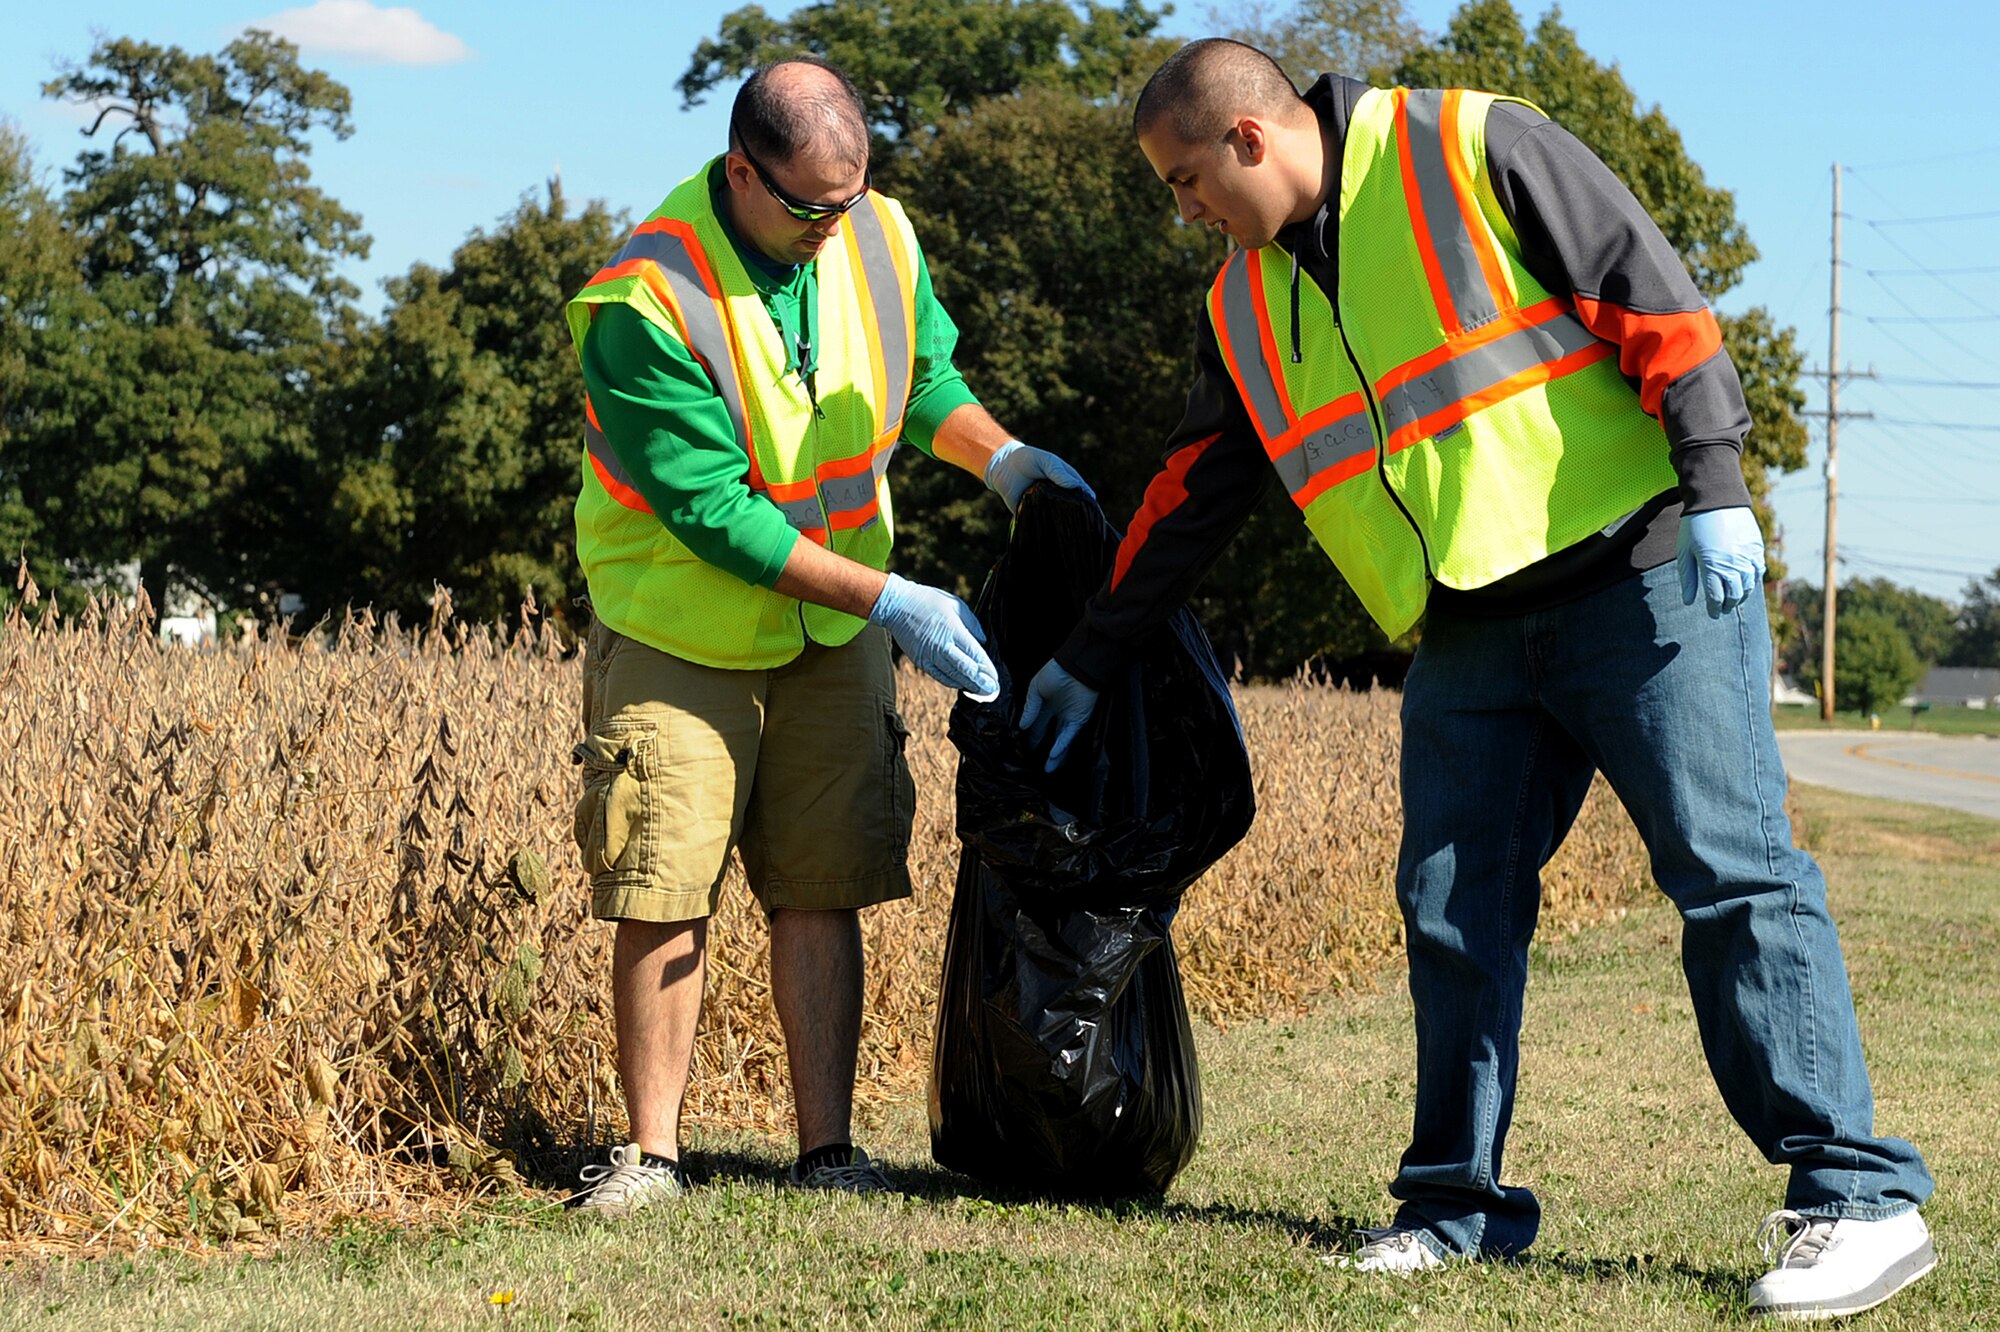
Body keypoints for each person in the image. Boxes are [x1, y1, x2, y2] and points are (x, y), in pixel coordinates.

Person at [1018, 39, 1934, 1320]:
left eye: (1182, 182)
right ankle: (1454, 1207)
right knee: (1450, 911)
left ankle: (1853, 1197)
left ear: (1246, 140)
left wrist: (1717, 483)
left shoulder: (1468, 147)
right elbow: (1191, 495)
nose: (1183, 213)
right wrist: (1085, 654)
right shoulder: (1241, 301)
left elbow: (1652, 293)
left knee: (1729, 877)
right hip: (1467, 625)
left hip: (1637, 572)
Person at [564, 56, 1089, 1213]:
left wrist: (1002, 460)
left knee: (821, 884)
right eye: (807, 208)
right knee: (667, 882)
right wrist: (892, 600)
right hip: (678, 623)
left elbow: (927, 381)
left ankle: (828, 1152)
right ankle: (650, 1159)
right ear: (741, 172)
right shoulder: (642, 300)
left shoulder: (874, 232)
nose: (830, 227)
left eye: (846, 202)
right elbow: (711, 511)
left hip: (828, 625)